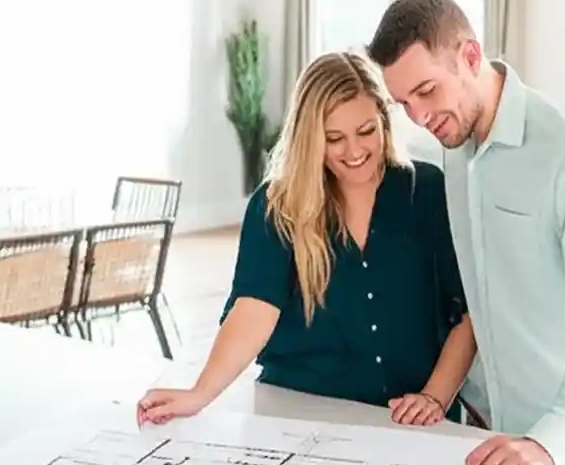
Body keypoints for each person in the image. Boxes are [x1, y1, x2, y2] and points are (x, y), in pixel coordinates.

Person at [367, 0, 565, 465]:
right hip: (497, 433)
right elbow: (482, 298)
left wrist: (549, 442)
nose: (418, 116)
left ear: (471, 56)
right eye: (403, 103)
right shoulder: (453, 150)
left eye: (427, 91)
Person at [136, 51, 477, 428]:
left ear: (384, 119)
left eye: (366, 131)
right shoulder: (275, 207)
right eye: (334, 139)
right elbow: (254, 309)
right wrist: (199, 394)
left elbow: (468, 313)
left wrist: (435, 397)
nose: (354, 151)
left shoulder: (426, 192)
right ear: (310, 137)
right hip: (300, 417)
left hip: (410, 423)